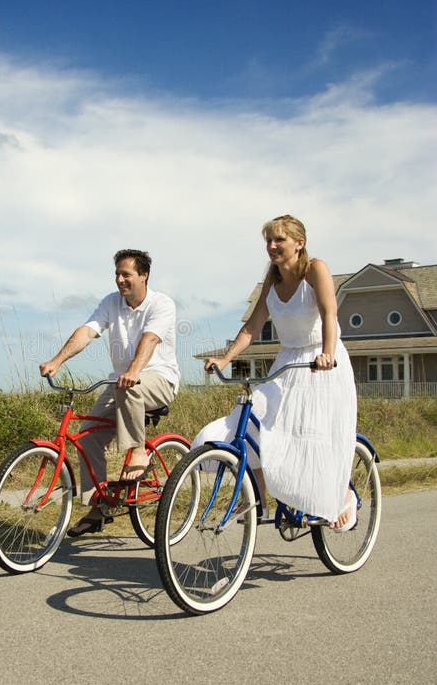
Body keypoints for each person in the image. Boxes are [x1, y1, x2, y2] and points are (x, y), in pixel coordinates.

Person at [196, 214, 357, 530]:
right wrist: (225, 359)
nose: (271, 246)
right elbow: (253, 327)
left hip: (320, 360)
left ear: (299, 243)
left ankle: (342, 495)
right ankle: (257, 500)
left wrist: (326, 353)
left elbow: (329, 313)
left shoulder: (315, 269)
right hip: (287, 363)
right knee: (253, 420)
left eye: (279, 239)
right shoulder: (272, 279)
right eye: (268, 240)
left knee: (312, 433)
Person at [40, 248, 180, 537]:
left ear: (144, 275)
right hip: (121, 383)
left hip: (158, 379)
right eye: (117, 274)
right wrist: (57, 360)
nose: (120, 280)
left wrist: (134, 370)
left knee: (127, 386)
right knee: (87, 436)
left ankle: (137, 452)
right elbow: (87, 331)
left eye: (126, 274)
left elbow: (151, 338)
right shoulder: (110, 303)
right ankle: (98, 508)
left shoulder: (161, 304)